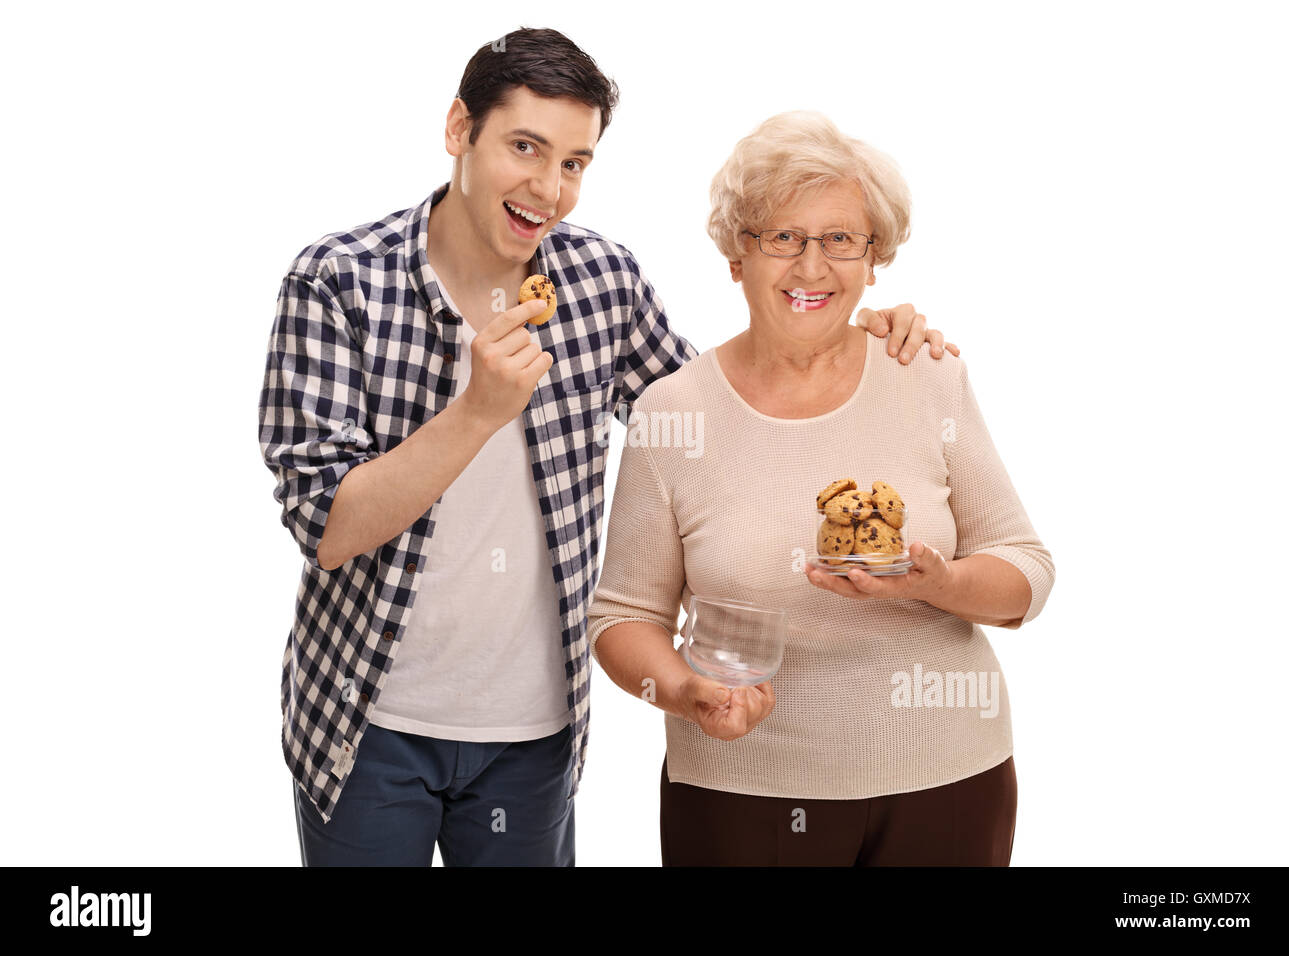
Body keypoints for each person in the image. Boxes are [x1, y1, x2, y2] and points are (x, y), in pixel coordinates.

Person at [258, 28, 955, 867]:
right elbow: (327, 527)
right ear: (458, 130)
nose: (549, 189)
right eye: (526, 147)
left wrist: (846, 332)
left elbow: (720, 422)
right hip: (366, 724)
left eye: (575, 163)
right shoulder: (336, 283)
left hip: (534, 737)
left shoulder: (602, 283)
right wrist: (477, 411)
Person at [586, 110, 1054, 866]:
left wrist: (937, 582)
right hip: (738, 796)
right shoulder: (671, 414)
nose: (812, 267)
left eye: (840, 239)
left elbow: (1026, 576)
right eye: (782, 237)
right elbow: (623, 617)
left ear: (875, 259)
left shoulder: (927, 374)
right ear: (738, 254)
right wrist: (683, 692)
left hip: (948, 783)